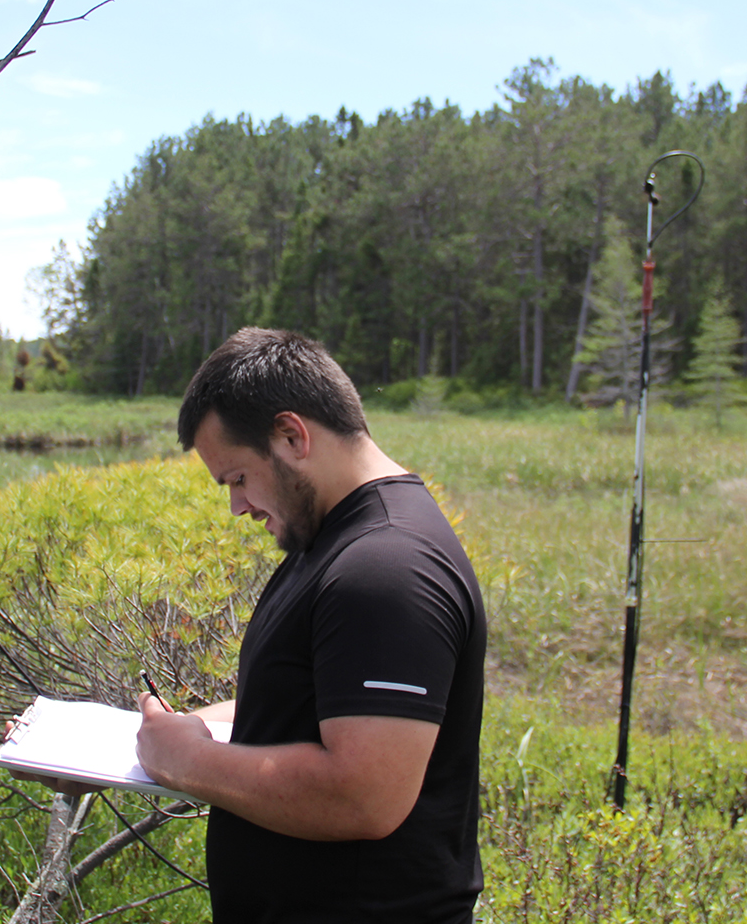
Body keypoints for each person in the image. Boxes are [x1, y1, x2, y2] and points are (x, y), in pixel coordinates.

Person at [135, 327, 485, 923]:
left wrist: (188, 762)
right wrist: (179, 730)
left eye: (238, 478)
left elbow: (364, 795)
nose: (237, 506)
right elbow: (308, 707)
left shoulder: (386, 566)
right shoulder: (328, 541)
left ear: (292, 436)